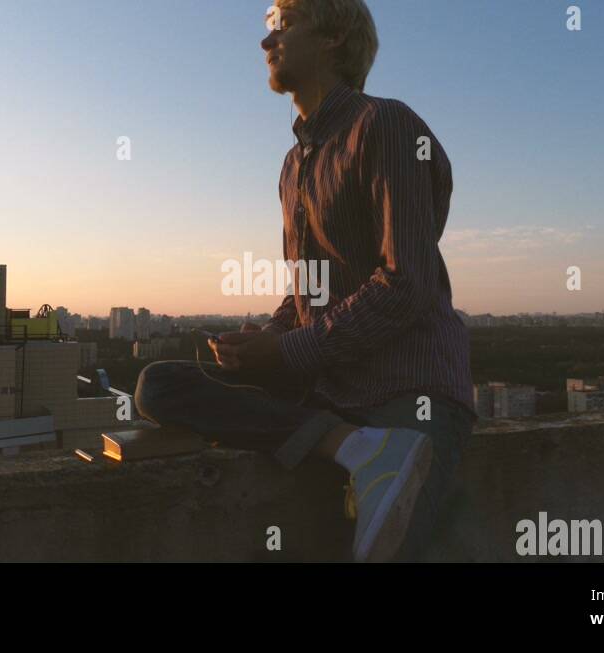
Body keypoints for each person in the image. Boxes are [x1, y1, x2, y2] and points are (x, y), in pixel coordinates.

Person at [135, 0, 476, 562]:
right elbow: (312, 290)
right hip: (326, 390)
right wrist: (265, 339)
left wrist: (287, 352)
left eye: (284, 27)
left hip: (405, 390)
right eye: (268, 30)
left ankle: (376, 451)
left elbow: (406, 283)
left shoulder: (387, 124)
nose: (267, 43)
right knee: (159, 385)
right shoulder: (294, 166)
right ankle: (352, 447)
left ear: (335, 38)